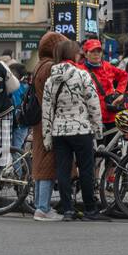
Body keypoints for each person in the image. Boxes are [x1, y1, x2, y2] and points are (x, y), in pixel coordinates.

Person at [42, 39, 107, 221]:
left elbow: (47, 110)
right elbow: (94, 105)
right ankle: (89, 209)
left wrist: (47, 137)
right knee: (86, 170)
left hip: (59, 132)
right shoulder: (82, 75)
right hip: (81, 129)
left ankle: (68, 210)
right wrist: (98, 131)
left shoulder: (51, 79)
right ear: (73, 55)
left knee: (62, 171)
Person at [29, 32, 68, 221]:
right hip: (49, 120)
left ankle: (39, 204)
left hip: (39, 121)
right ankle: (43, 208)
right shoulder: (51, 67)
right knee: (47, 164)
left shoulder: (39, 65)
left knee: (40, 162)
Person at [80, 38, 128, 132]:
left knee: (113, 145)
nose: (96, 54)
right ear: (85, 54)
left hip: (111, 114)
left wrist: (118, 92)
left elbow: (124, 75)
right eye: (92, 51)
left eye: (98, 51)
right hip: (91, 117)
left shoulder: (107, 66)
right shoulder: (80, 69)